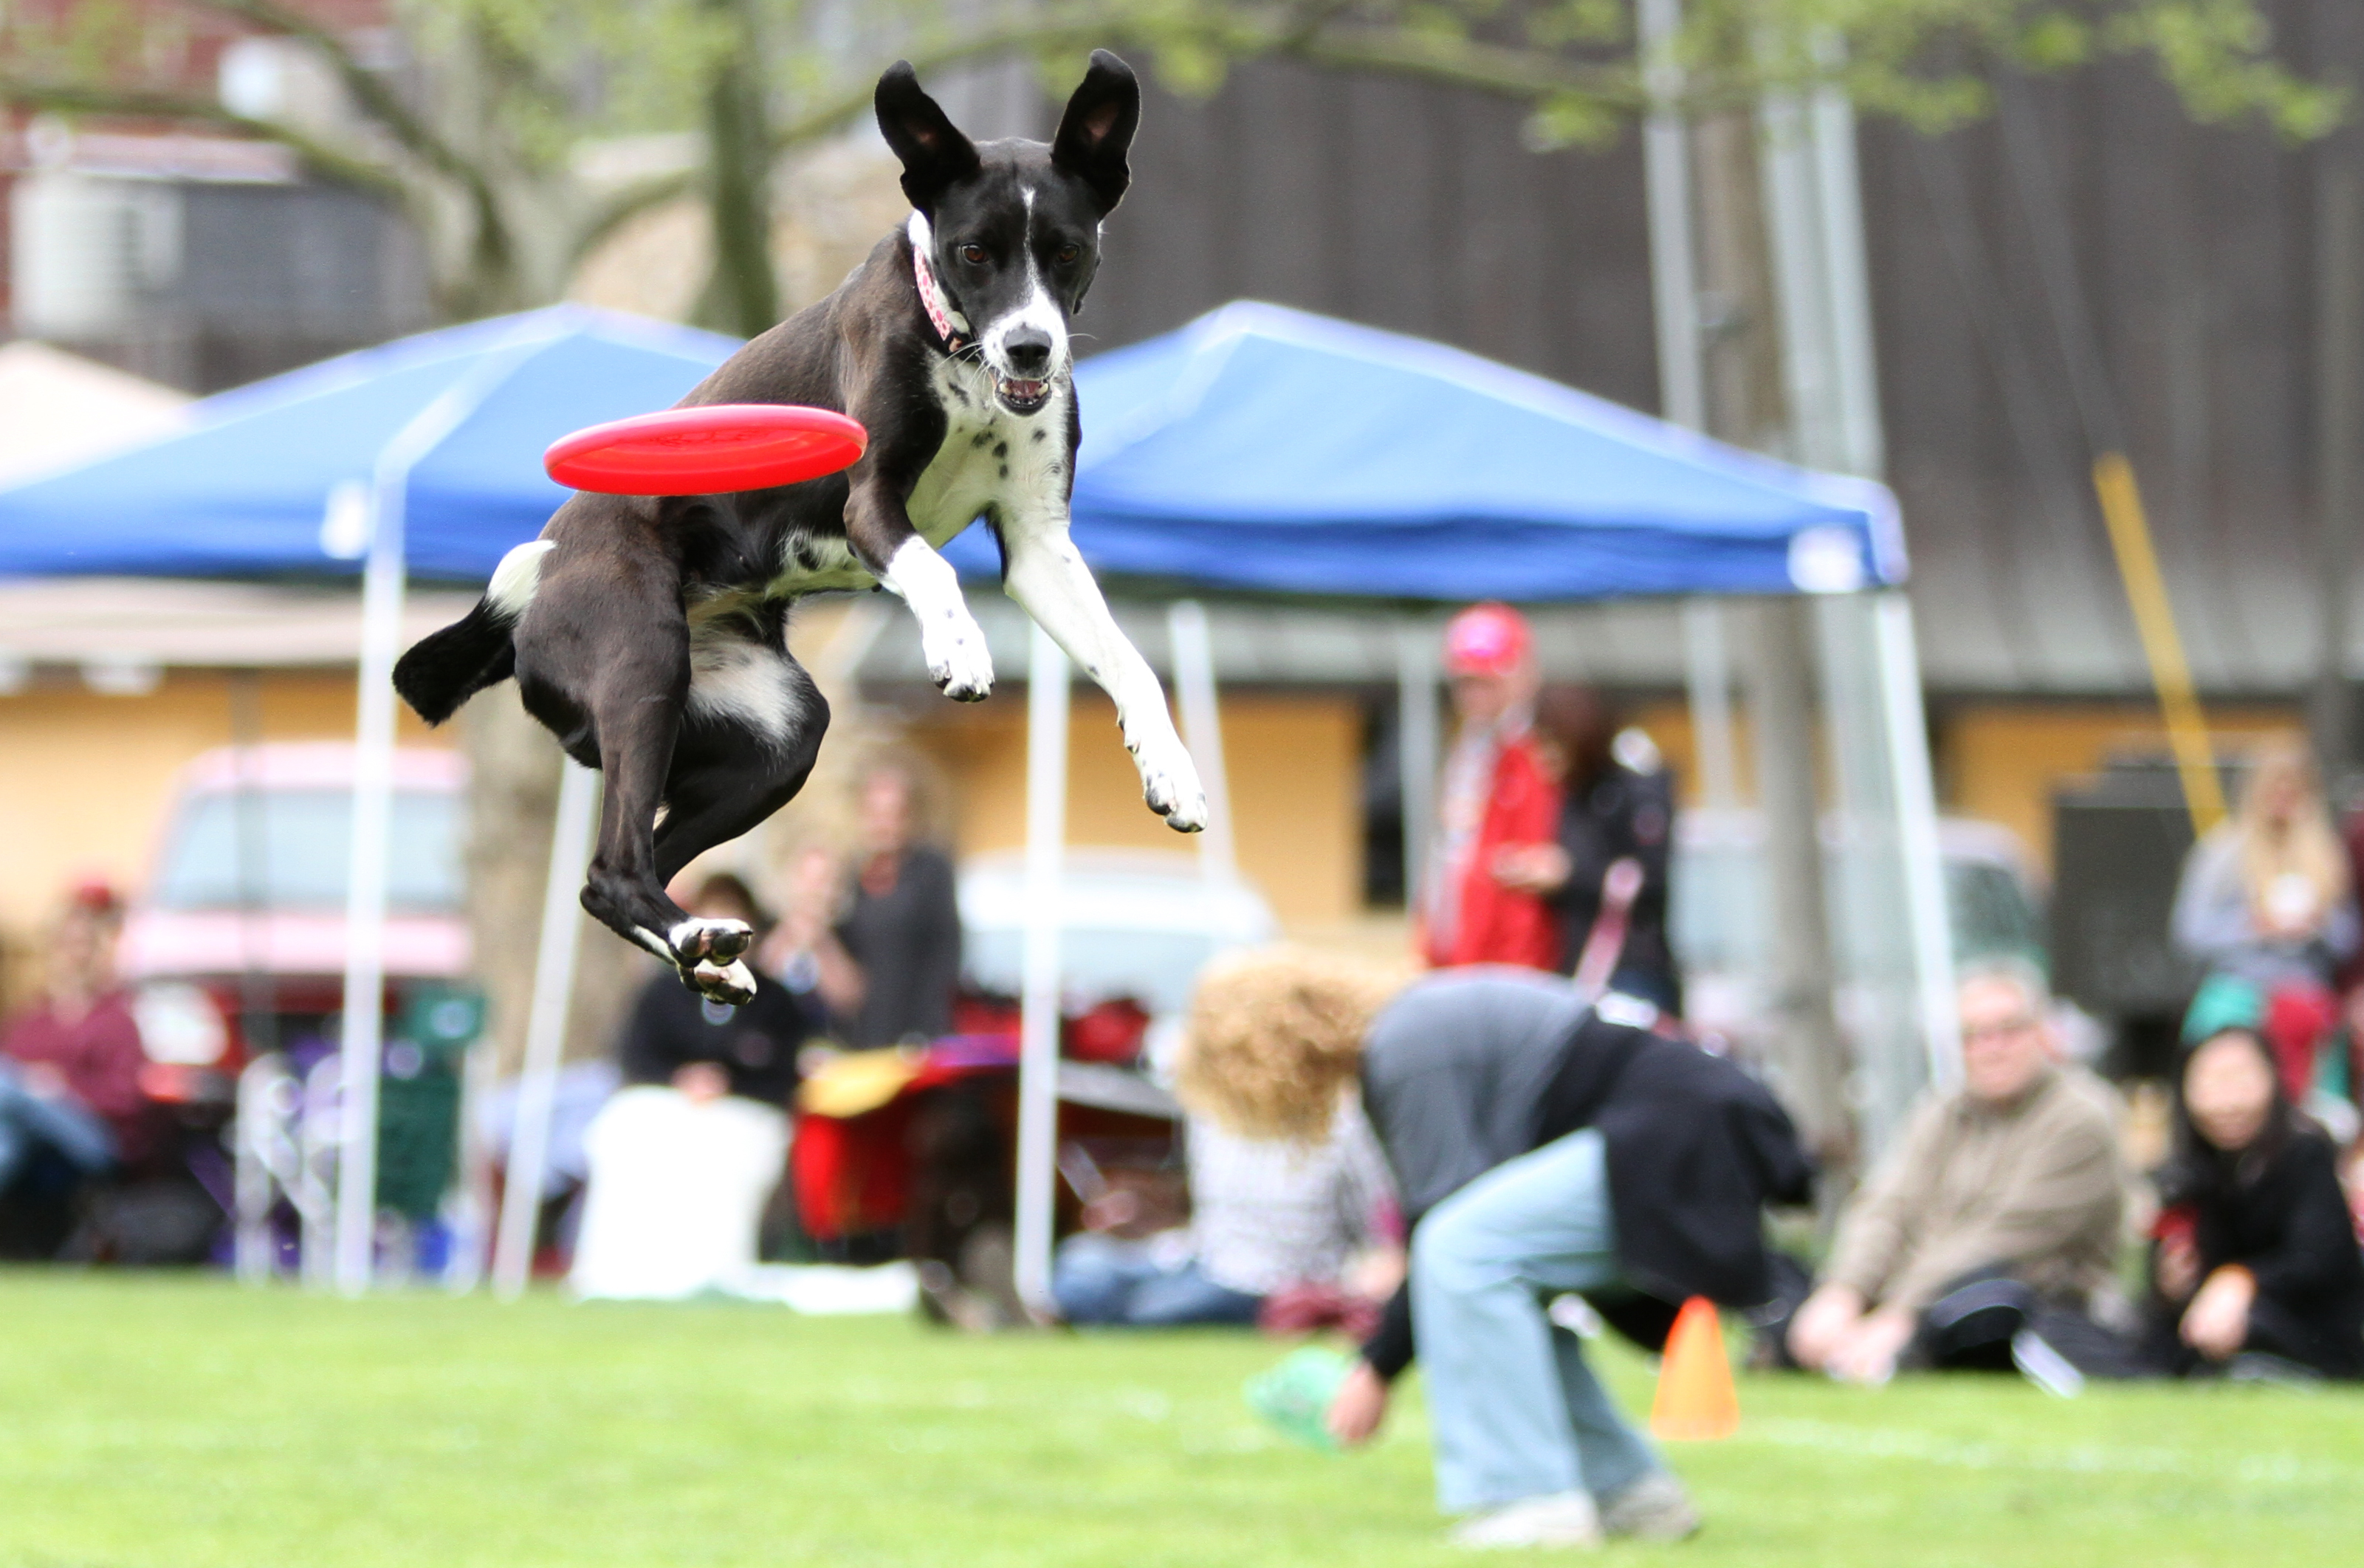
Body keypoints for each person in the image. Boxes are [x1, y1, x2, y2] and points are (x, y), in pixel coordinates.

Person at [1186, 948, 1811, 1548]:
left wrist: (1377, 1368)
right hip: (1686, 1137)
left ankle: (1529, 1500)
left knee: (1468, 1251)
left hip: (1683, 1136)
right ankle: (1630, 1494)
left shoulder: (1407, 1039)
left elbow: (1439, 1228)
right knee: (1497, 1274)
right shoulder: (1413, 1030)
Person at [1784, 960, 2131, 1383]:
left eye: (2008, 1030)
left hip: (2029, 1305)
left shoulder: (2081, 1118)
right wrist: (1844, 1293)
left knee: (1982, 1304)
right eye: (1974, 1036)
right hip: (1915, 1295)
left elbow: (2003, 1241)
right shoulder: (1942, 1110)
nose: (1992, 1047)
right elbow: (1886, 1206)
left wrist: (1901, 1313)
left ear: (2044, 1034)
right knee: (1784, 1298)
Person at [570, 873, 809, 1299]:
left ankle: (714, 1273)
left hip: (742, 1111)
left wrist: (729, 1082)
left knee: (721, 1153)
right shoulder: (662, 994)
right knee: (627, 1135)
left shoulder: (774, 1002)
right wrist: (679, 1080)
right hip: (668, 1105)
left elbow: (783, 1073)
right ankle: (618, 1271)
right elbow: (636, 1057)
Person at [1051, 1099, 1395, 1329]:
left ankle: (1077, 1321)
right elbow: (1193, 1204)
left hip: (1268, 1278)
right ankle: (1068, 1312)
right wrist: (1139, 1208)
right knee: (1082, 1260)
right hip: (1202, 1257)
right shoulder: (1212, 1114)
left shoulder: (1342, 1119)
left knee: (1142, 1310)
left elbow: (1377, 1217)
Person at [2145, 1022, 2364, 1380]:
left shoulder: (2305, 1153)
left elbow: (2319, 1259)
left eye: (2241, 1079)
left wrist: (2241, 1281)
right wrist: (2170, 1282)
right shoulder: (2189, 1173)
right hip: (2210, 1331)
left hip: (2308, 1334)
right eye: (2211, 1082)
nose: (2228, 1101)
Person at [2174, 737, 2358, 1098]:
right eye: (2275, 787)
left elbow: (2349, 939)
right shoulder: (2223, 853)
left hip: (2304, 999)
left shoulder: (2325, 853)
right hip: (2237, 996)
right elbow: (2188, 931)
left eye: (2294, 788)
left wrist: (2318, 924)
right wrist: (2253, 927)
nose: (2283, 798)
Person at [1494, 686, 1680, 1012]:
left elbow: (1647, 880)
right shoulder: (1569, 799)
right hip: (1573, 969)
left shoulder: (1632, 791)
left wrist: (1569, 875)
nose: (1545, 759)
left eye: (1554, 746)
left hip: (1630, 969)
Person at [769, 756, 962, 1048]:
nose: (885, 823)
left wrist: (926, 1030)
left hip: (916, 1036)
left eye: (896, 813)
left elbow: (944, 959)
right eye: (875, 812)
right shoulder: (849, 878)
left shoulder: (930, 871)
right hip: (856, 1036)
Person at [1420, 603, 1561, 972]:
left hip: (1510, 962)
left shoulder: (1540, 753)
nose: (1474, 694)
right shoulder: (1467, 749)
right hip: (1458, 954)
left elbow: (1524, 874)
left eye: (1487, 681)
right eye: (1466, 682)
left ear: (1521, 677)